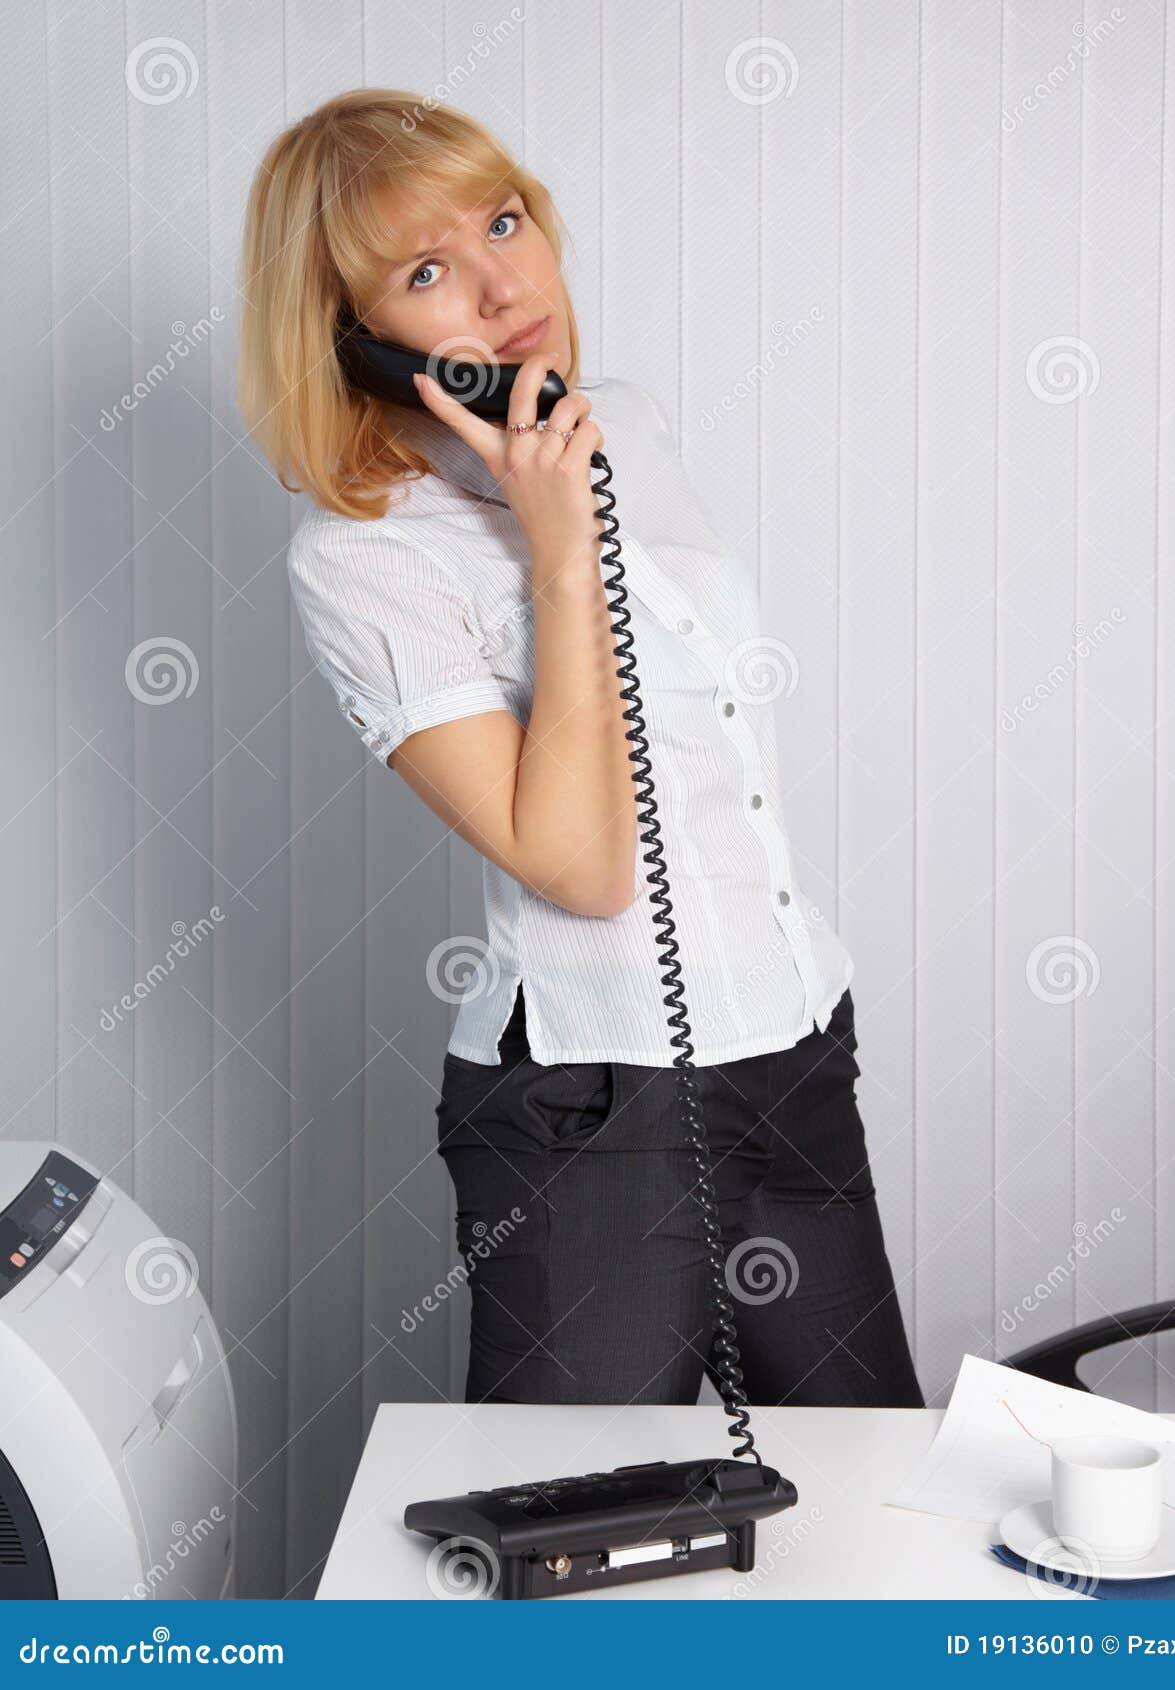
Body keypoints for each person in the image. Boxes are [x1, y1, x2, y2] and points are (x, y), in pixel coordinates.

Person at [238, 88, 923, 1413]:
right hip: (590, 1113)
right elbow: (583, 866)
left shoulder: (628, 425)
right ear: (352, 336)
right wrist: (558, 548)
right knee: (569, 1537)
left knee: (865, 1494)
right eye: (427, 270)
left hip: (791, 1049)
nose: (502, 288)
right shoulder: (361, 556)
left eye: (505, 221)